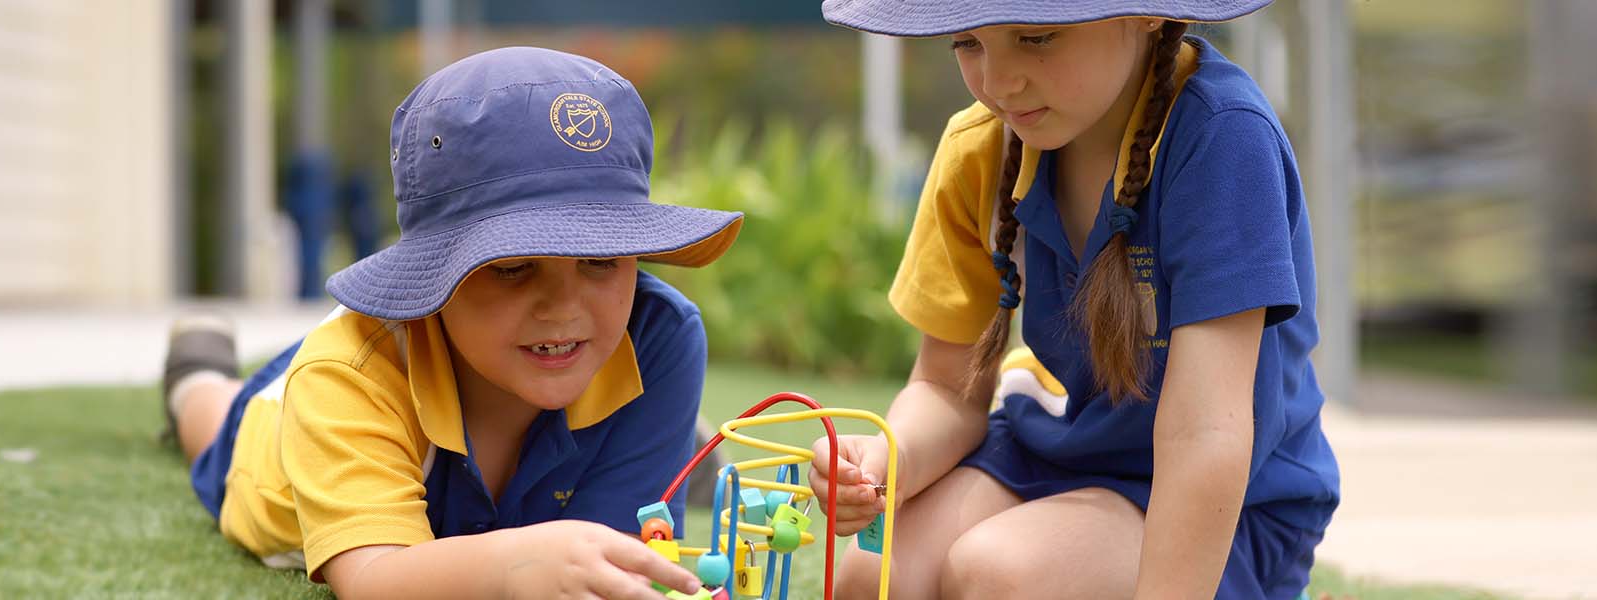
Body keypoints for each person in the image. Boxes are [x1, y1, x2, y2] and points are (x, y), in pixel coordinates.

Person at [158, 47, 744, 599]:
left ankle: (644, 439)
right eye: (513, 267)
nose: (564, 306)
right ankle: (195, 373)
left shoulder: (657, 338)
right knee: (218, 425)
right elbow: (373, 577)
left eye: (600, 260)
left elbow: (607, 559)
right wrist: (513, 565)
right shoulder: (345, 376)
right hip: (311, 414)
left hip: (446, 368)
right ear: (435, 270)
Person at [808, 2, 1341, 598]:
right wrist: (889, 460)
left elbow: (1205, 435)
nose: (997, 82)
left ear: (1146, 14)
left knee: (996, 574)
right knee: (871, 574)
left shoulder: (1222, 138)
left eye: (1036, 37)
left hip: (1230, 502)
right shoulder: (979, 148)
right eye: (967, 42)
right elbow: (945, 387)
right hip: (1051, 452)